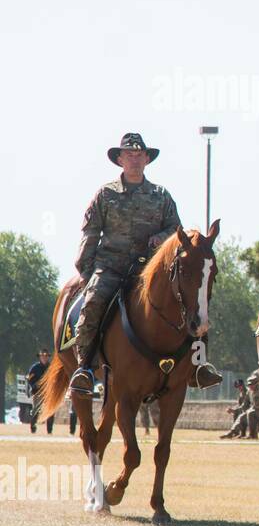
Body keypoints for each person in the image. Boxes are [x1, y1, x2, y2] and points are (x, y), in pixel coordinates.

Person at [69, 132, 222, 396]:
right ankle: (85, 369)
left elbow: (177, 234)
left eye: (140, 155)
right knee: (92, 303)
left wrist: (160, 237)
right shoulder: (104, 195)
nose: (135, 159)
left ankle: (199, 366)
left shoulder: (161, 196)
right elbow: (90, 234)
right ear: (119, 159)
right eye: (129, 154)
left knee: (193, 302)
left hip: (149, 271)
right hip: (111, 267)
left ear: (147, 159)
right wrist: (86, 271)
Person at [27, 350, 53, 434]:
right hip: (38, 392)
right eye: (42, 356)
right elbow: (29, 378)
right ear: (40, 357)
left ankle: (49, 431)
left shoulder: (51, 367)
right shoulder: (35, 368)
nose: (44, 358)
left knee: (50, 411)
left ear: (48, 357)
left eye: (46, 356)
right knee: (35, 411)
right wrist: (34, 385)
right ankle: (33, 429)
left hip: (49, 392)